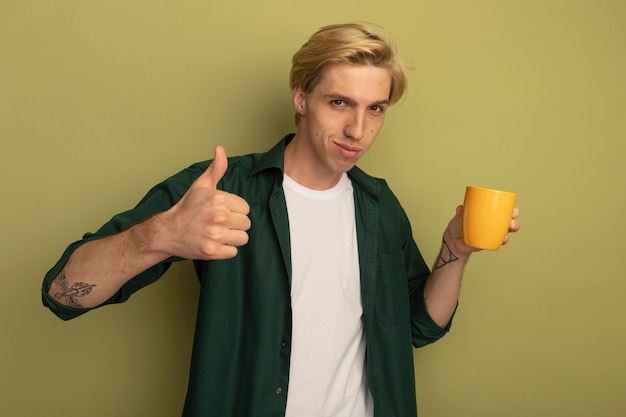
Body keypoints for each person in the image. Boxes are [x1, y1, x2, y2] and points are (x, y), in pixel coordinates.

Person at [42, 22, 520, 417]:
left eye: (375, 109)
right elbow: (62, 291)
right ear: (300, 98)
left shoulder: (379, 205)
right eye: (340, 103)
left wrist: (457, 251)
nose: (359, 130)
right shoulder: (220, 187)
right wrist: (161, 234)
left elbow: (418, 327)